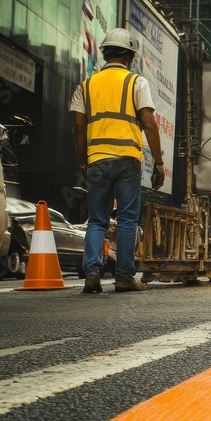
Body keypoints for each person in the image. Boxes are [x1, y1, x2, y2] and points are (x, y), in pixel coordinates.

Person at [72, 28, 164, 293]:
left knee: (97, 219)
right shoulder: (137, 82)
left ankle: (91, 273)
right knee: (126, 219)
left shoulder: (86, 86)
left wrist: (84, 162)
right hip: (127, 160)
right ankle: (124, 276)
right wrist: (158, 163)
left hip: (97, 160)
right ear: (131, 57)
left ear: (105, 54)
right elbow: (148, 122)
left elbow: (78, 128)